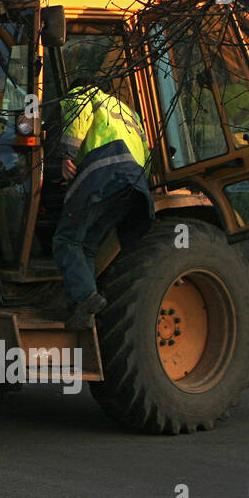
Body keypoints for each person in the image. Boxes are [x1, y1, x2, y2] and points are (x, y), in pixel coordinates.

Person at [51, 77, 155, 329]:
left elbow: (78, 119)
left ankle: (87, 297)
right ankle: (84, 309)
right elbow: (147, 152)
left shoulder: (83, 94)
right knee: (87, 245)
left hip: (103, 177)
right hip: (133, 186)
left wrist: (67, 155)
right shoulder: (128, 112)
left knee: (66, 240)